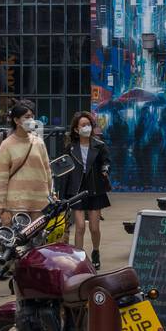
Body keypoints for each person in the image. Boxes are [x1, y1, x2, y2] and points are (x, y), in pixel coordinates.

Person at [59, 111, 112, 270]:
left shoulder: (99, 145)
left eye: (88, 124)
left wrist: (105, 170)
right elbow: (65, 170)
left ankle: (95, 252)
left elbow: (107, 162)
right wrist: (62, 195)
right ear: (76, 129)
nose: (86, 128)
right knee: (80, 226)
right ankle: (79, 259)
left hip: (95, 188)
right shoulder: (70, 148)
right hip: (76, 189)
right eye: (83, 125)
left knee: (94, 227)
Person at [0, 101, 53, 225]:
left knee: (38, 241)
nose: (31, 120)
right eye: (27, 117)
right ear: (16, 120)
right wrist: (1, 207)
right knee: (19, 241)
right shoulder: (6, 144)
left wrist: (51, 194)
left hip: (40, 202)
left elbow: (47, 171)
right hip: (17, 204)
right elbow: (0, 178)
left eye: (32, 116)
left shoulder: (39, 142)